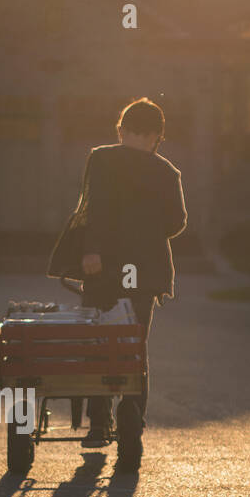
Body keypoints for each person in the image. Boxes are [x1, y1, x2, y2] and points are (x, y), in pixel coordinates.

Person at [74, 97, 187, 444]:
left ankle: (98, 422)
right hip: (146, 270)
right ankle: (132, 420)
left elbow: (89, 207)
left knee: (98, 342)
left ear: (120, 130)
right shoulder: (167, 172)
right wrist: (147, 232)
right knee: (133, 346)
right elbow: (177, 222)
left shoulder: (102, 159)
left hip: (101, 267)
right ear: (157, 137)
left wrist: (91, 249)